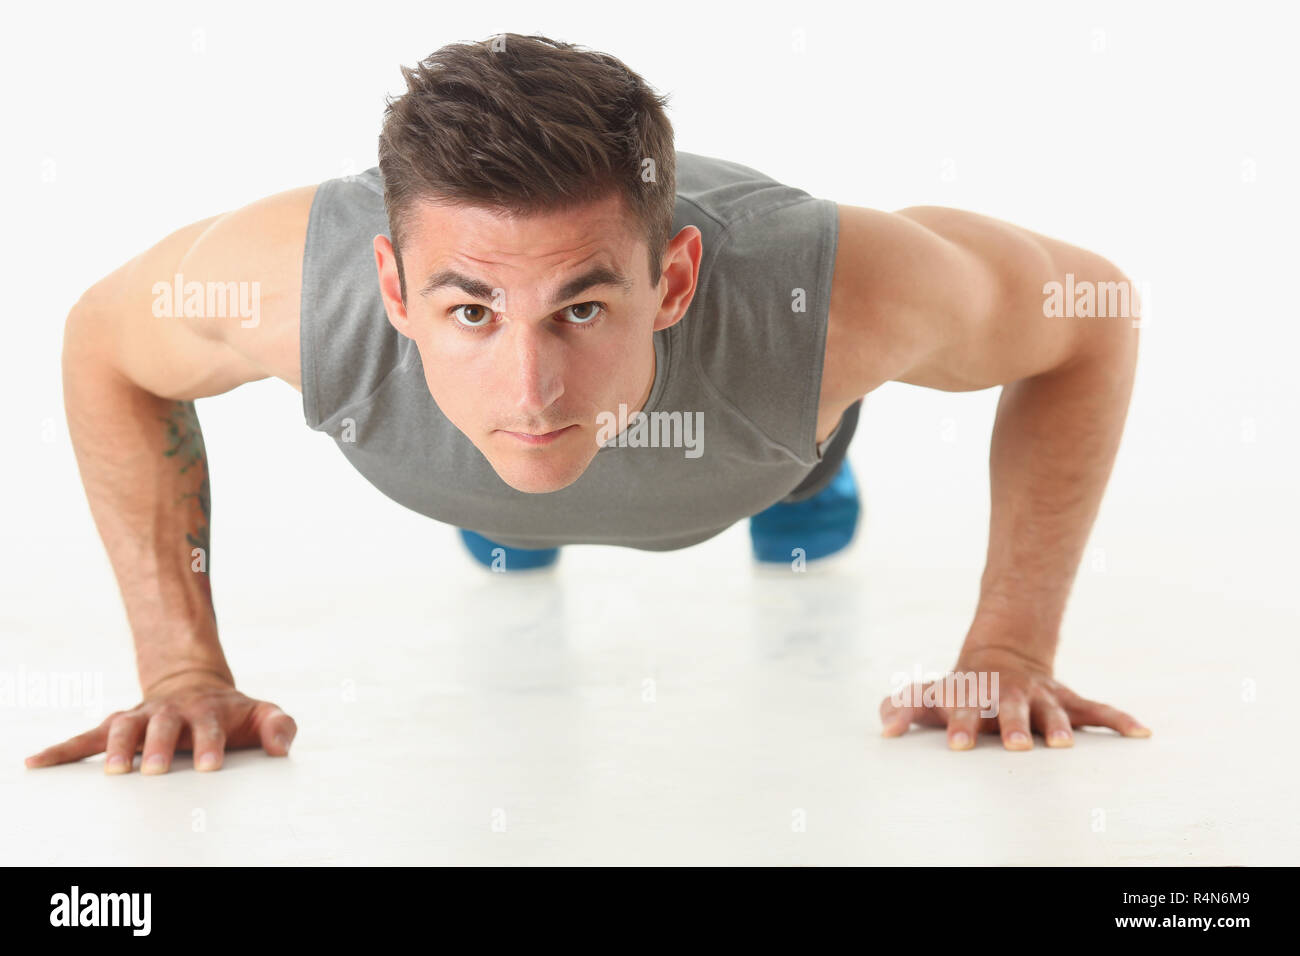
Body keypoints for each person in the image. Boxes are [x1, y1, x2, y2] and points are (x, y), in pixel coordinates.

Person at [27, 33, 1149, 776]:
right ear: (390, 289)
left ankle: (804, 473)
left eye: (581, 309)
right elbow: (101, 347)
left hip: (751, 444)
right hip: (463, 469)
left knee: (774, 452)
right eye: (470, 312)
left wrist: (1009, 645)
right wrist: (181, 669)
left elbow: (1091, 316)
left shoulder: (835, 297)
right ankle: (507, 511)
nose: (531, 386)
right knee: (511, 499)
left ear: (670, 284)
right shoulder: (284, 287)